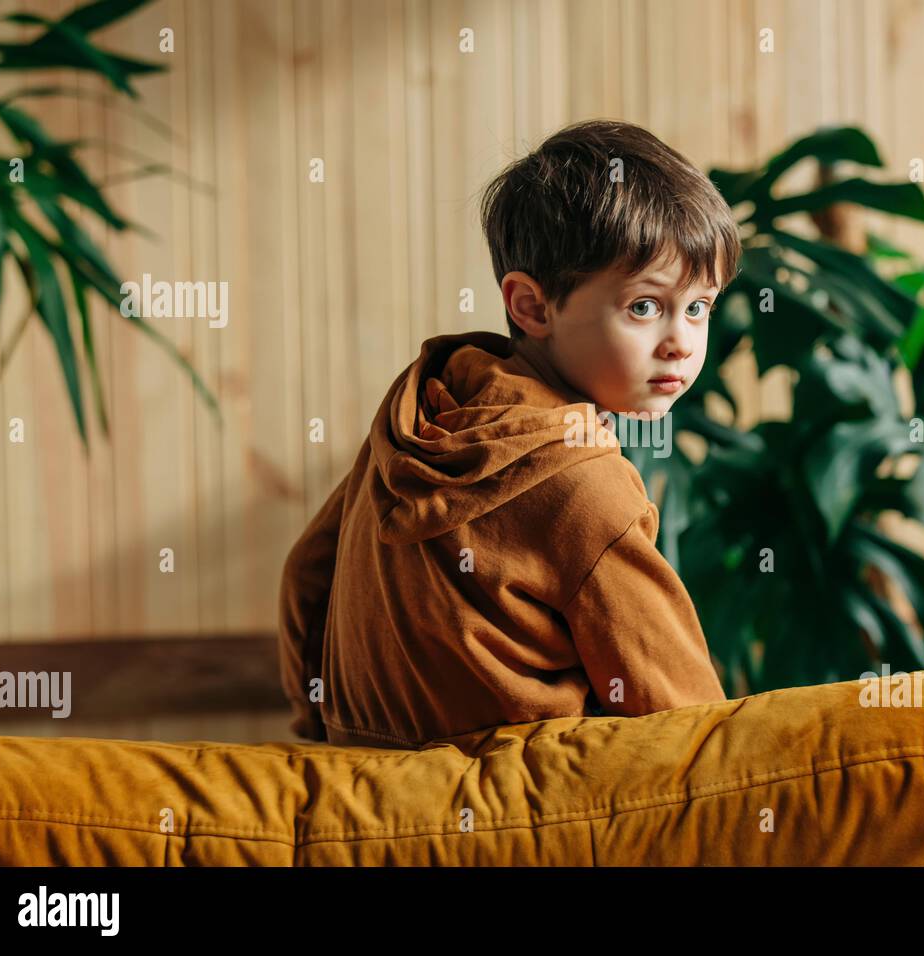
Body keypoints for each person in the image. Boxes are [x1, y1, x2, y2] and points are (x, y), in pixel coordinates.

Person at [277, 119, 741, 748]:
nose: (681, 343)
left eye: (698, 307)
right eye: (643, 306)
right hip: (516, 808)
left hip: (362, 778)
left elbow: (308, 571)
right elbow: (682, 715)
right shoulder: (581, 481)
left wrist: (323, 732)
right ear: (531, 306)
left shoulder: (421, 414)